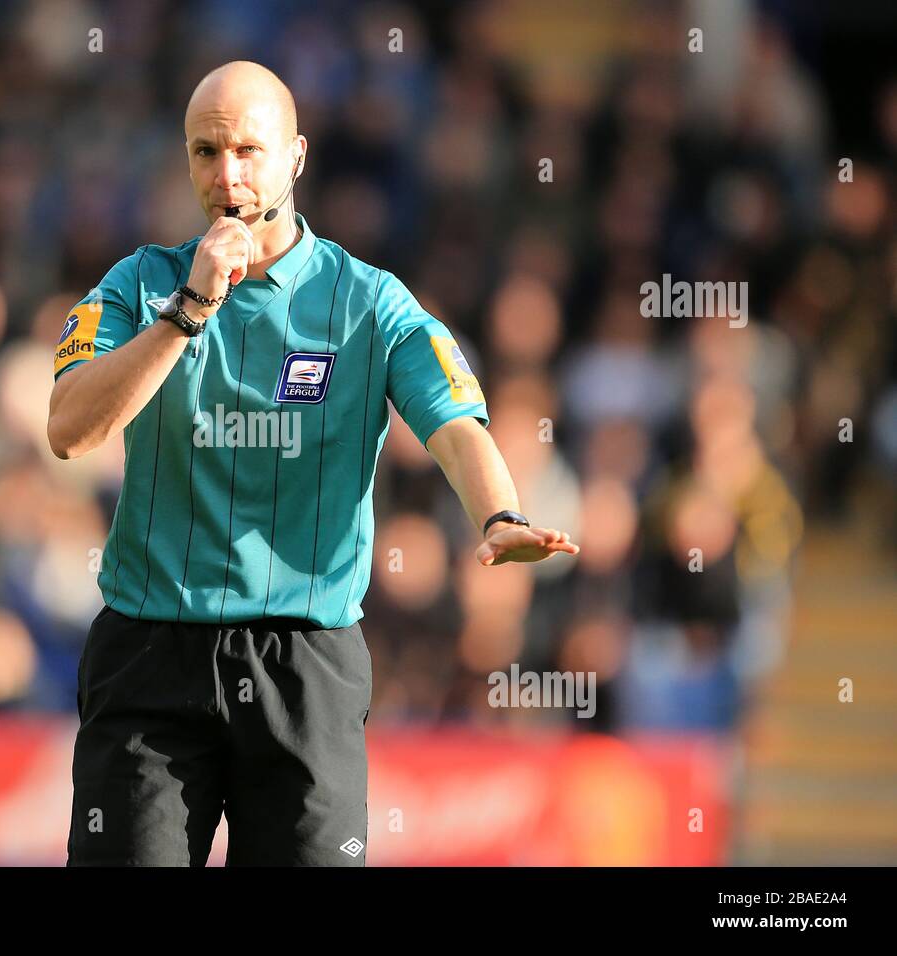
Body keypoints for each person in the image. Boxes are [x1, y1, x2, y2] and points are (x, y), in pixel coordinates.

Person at [47, 60, 579, 866]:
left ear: (296, 157)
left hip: (305, 662)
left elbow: (454, 419)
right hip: (151, 654)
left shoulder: (368, 300)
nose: (226, 175)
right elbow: (69, 429)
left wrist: (499, 514)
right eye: (204, 152)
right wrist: (187, 313)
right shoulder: (140, 284)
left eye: (248, 151)